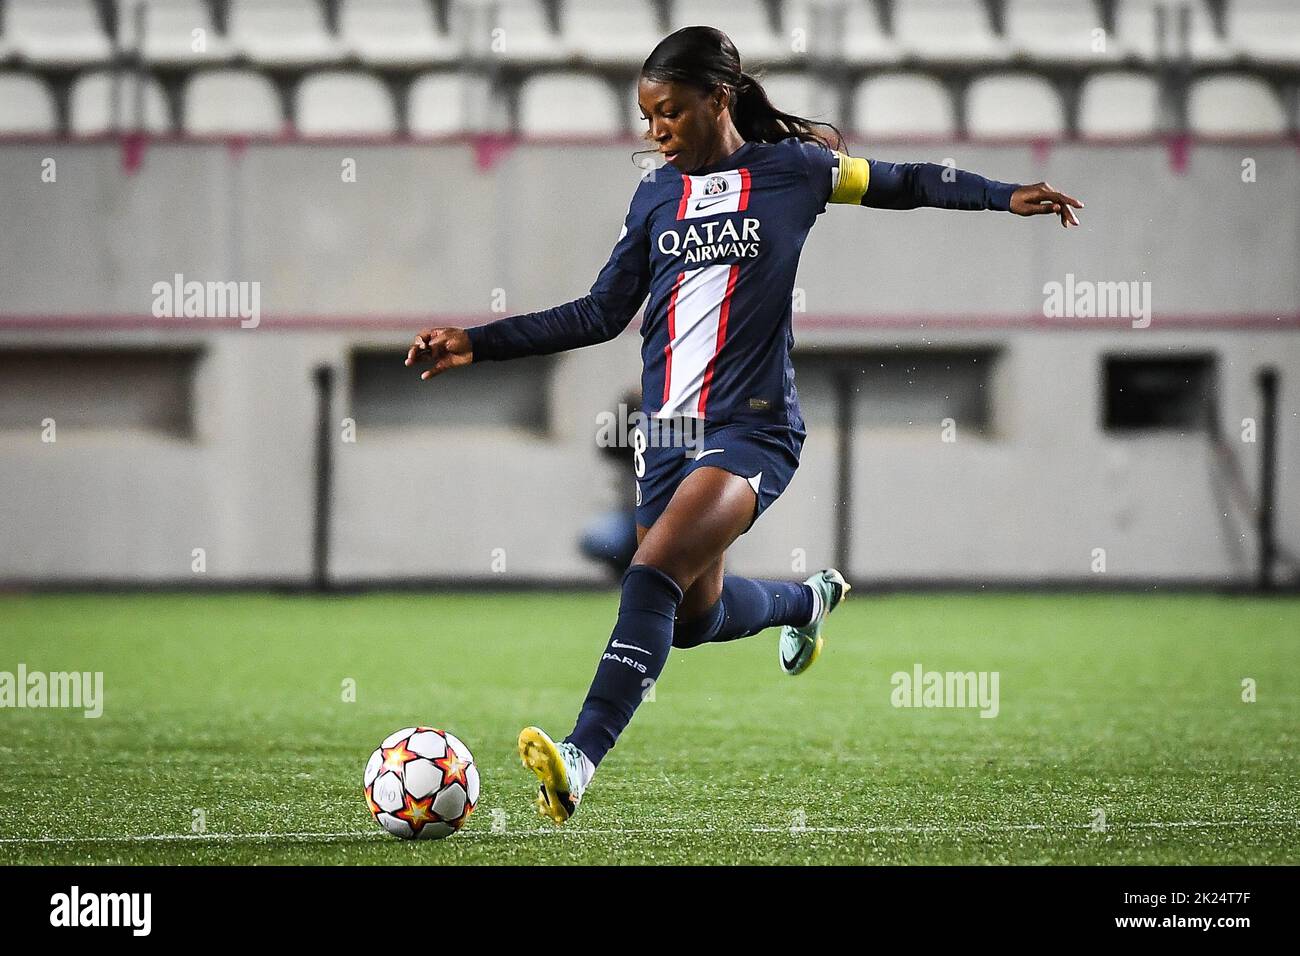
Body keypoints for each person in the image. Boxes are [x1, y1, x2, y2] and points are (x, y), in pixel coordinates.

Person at [405, 26, 1083, 825]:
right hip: (663, 439)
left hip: (752, 430)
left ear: (717, 100)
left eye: (670, 113)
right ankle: (805, 601)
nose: (656, 132)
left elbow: (902, 180)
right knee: (690, 622)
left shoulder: (796, 172)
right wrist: (476, 342)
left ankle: (580, 758)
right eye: (646, 117)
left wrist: (1002, 194)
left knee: (650, 573)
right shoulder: (656, 195)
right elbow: (600, 312)